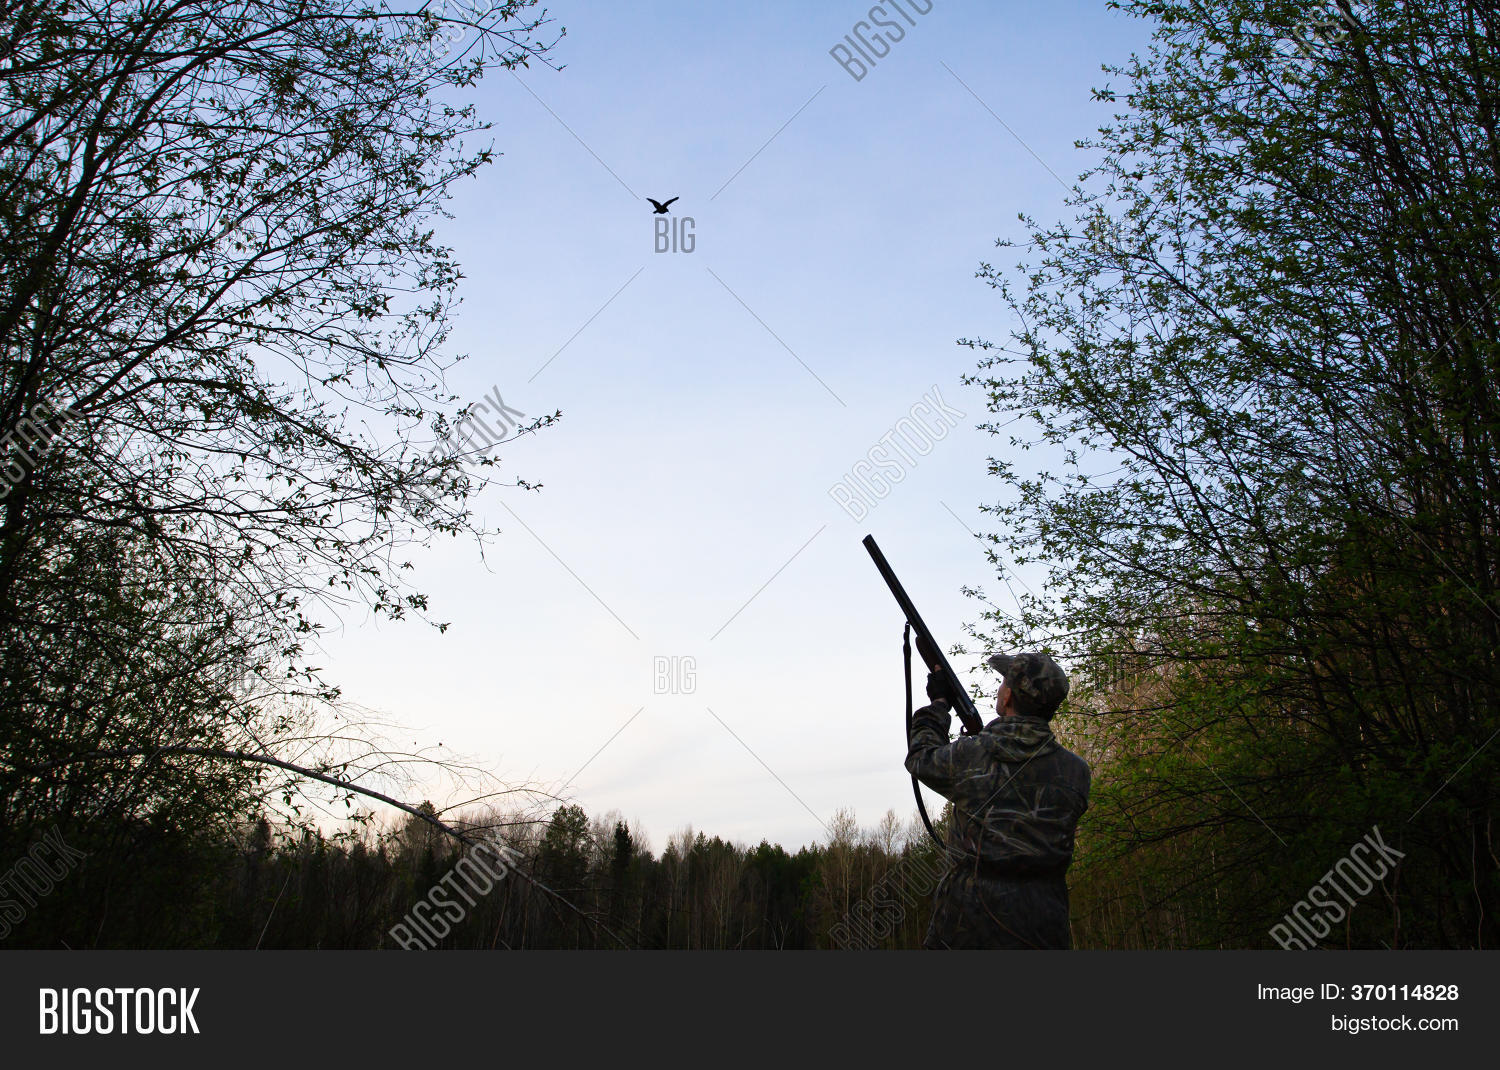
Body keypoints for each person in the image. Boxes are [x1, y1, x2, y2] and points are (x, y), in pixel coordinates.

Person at [905, 651, 1091, 949]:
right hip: (1044, 933)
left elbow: (921, 757)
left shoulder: (973, 756)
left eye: (1004, 682)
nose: (1000, 687)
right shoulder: (1077, 773)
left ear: (1007, 699)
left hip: (965, 933)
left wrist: (939, 705)